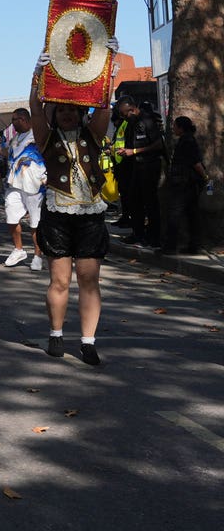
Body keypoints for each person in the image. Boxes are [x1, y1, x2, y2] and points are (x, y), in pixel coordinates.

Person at [30, 39, 119, 365]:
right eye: (62, 110)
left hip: (90, 214)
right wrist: (38, 72)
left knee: (89, 280)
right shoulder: (45, 137)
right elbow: (36, 107)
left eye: (72, 109)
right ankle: (56, 334)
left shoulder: (94, 134)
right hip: (57, 213)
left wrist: (107, 65)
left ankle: (88, 341)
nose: (67, 114)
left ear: (81, 112)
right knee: (59, 280)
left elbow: (105, 106)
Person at [114, 96, 164, 247]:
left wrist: (134, 151)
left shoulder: (147, 121)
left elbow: (158, 144)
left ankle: (153, 237)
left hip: (149, 167)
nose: (123, 117)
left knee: (150, 203)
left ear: (132, 109)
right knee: (134, 202)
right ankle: (138, 234)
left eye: (124, 114)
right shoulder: (131, 124)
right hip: (135, 168)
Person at [3, 109, 47, 271]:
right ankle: (19, 250)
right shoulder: (15, 139)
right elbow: (6, 155)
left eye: (14, 120)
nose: (13, 123)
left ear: (23, 119)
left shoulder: (38, 135)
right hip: (14, 182)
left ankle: (37, 255)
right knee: (11, 216)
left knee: (35, 222)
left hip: (34, 184)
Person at [161, 116, 208, 255]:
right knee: (191, 215)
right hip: (186, 184)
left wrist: (205, 177)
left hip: (184, 184)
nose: (173, 128)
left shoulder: (187, 141)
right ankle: (193, 245)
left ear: (181, 128)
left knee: (175, 215)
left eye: (175, 126)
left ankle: (171, 247)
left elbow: (196, 163)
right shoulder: (185, 140)